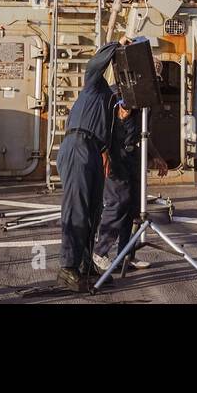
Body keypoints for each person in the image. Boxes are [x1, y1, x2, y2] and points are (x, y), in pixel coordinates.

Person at [56, 40, 120, 290]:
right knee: (77, 209)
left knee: (93, 210)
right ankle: (67, 268)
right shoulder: (95, 87)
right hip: (78, 145)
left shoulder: (113, 104)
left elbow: (110, 136)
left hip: (93, 150)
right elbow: (95, 64)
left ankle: (84, 264)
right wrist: (117, 45)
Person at [93, 97, 167, 273]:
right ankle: (99, 252)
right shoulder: (111, 97)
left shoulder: (146, 103)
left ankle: (126, 255)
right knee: (118, 202)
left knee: (134, 206)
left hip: (133, 158)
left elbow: (144, 133)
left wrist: (156, 155)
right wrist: (103, 152)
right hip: (114, 157)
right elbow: (100, 128)